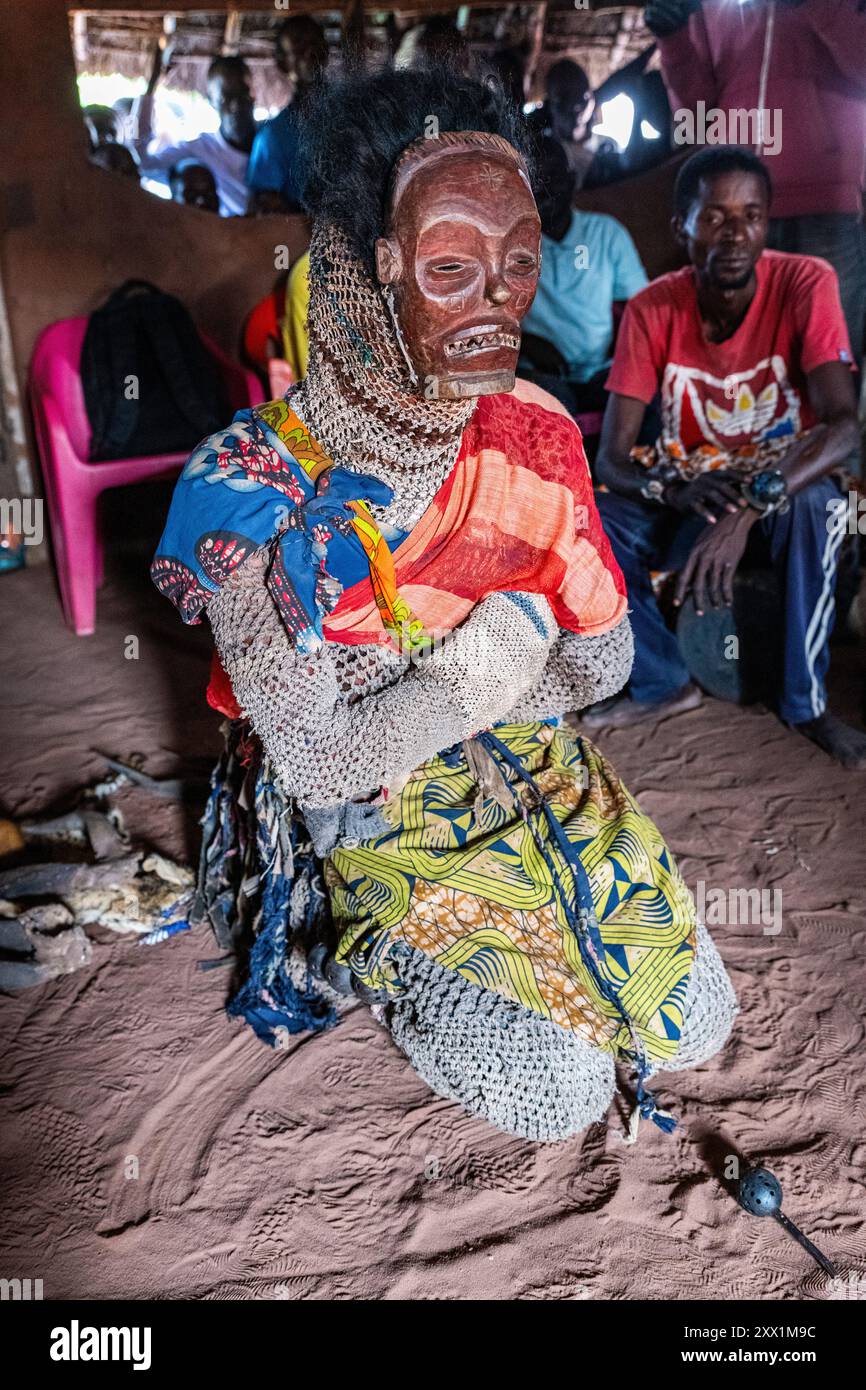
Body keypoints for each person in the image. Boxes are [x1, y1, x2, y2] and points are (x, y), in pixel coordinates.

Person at [151, 68, 737, 1143]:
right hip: (373, 789)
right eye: (450, 267)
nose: (493, 305)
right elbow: (322, 762)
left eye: (515, 266)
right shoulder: (249, 489)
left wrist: (499, 672)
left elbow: (601, 662)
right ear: (370, 271)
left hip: (522, 738)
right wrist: (492, 662)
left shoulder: (536, 431)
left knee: (692, 1022)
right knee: (551, 1090)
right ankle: (356, 938)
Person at [592, 146, 866, 770]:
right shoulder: (652, 308)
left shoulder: (805, 282)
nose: (735, 234)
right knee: (592, 520)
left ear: (768, 222)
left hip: (777, 489)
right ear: (680, 228)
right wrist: (670, 493)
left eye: (752, 215)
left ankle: (808, 705)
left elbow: (843, 427)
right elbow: (611, 459)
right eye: (714, 217)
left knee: (820, 505)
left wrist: (748, 506)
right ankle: (665, 683)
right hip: (693, 491)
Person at [645, 0, 866, 380]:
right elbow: (696, 115)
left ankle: (834, 437)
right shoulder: (717, 5)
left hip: (824, 202)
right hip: (736, 205)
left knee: (832, 354)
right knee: (751, 353)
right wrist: (675, 39)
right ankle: (756, 438)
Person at [520, 136, 648, 415]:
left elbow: (638, 308)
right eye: (535, 181)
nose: (545, 191)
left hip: (603, 369)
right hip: (539, 371)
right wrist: (525, 344)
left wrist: (624, 358)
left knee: (643, 400)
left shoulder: (605, 234)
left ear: (572, 180)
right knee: (553, 404)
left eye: (553, 178)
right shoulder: (513, 243)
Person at [134, 51, 256, 216]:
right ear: (211, 100)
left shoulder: (271, 144)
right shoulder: (200, 149)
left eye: (242, 93)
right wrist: (150, 89)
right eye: (225, 97)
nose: (235, 105)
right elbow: (143, 164)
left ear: (253, 94)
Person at [246, 16, 328, 216]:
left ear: (326, 52)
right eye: (299, 48)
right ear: (283, 63)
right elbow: (268, 204)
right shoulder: (273, 136)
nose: (309, 53)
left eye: (315, 44)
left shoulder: (356, 115)